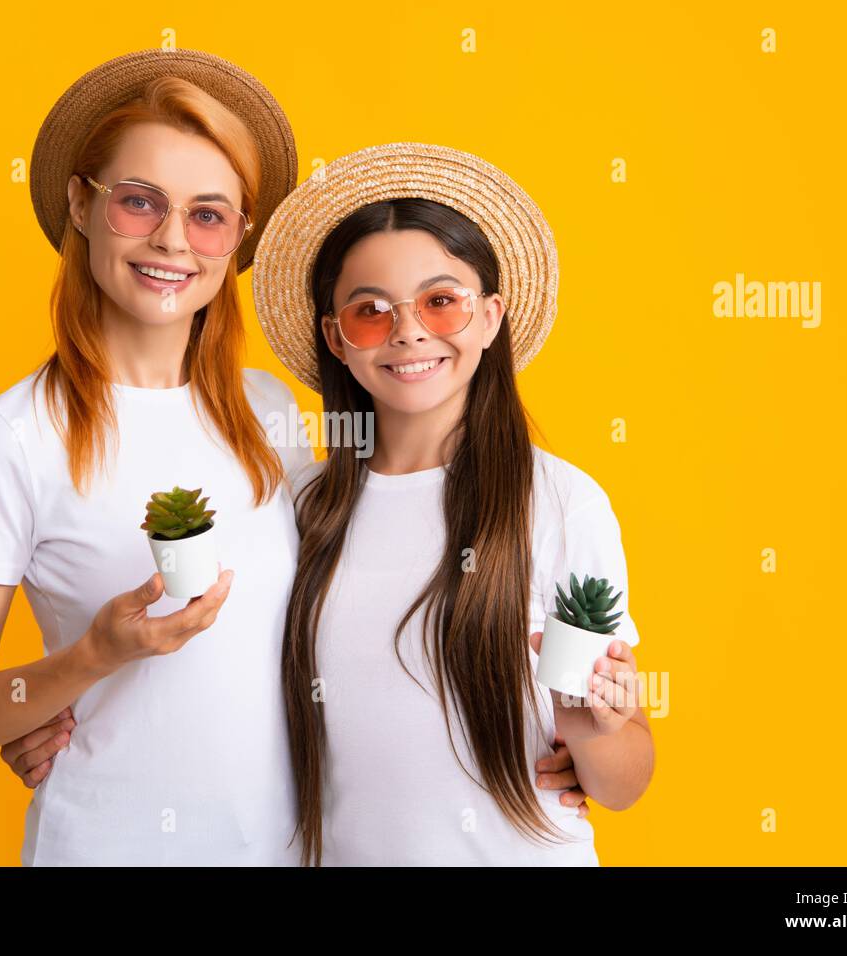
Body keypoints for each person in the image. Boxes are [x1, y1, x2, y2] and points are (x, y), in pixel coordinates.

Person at [0, 49, 312, 865]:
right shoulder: (13, 436)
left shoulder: (269, 412)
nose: (173, 240)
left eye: (209, 214)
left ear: (239, 236)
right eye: (140, 202)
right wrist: (89, 661)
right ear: (82, 205)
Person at [251, 142, 655, 865]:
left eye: (441, 301)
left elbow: (623, 784)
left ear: (491, 316)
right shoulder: (297, 507)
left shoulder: (560, 501)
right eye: (370, 311)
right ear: (335, 338)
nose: (408, 331)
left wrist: (592, 727)